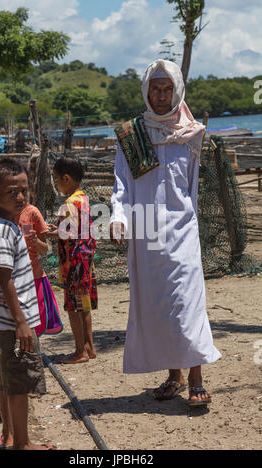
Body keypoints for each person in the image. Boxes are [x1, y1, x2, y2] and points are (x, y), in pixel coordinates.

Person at [110, 59, 221, 406]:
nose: (161, 94)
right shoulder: (132, 134)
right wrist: (118, 217)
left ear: (177, 90)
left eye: (167, 88)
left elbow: (189, 188)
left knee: (187, 302)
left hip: (183, 230)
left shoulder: (193, 134)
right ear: (146, 91)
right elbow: (121, 186)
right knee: (158, 305)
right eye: (155, 88)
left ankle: (195, 377)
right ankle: (172, 376)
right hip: (146, 233)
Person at [0, 158, 54, 450]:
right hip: (12, 322)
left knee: (5, 380)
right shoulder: (4, 230)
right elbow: (5, 277)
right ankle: (22, 443)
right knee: (19, 383)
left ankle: (11, 434)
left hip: (0, 320)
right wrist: (22, 322)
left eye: (24, 190)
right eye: (12, 191)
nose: (20, 197)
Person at [46, 154, 97, 364]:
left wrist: (49, 233)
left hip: (73, 261)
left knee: (73, 307)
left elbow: (67, 233)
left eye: (57, 180)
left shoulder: (69, 202)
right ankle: (89, 347)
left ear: (66, 178)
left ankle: (79, 352)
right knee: (83, 304)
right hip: (85, 258)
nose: (57, 184)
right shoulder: (83, 199)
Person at [15, 202, 63, 338]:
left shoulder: (32, 212)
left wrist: (35, 241)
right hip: (10, 278)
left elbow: (44, 249)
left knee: (32, 327)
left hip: (32, 277)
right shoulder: (1, 211)